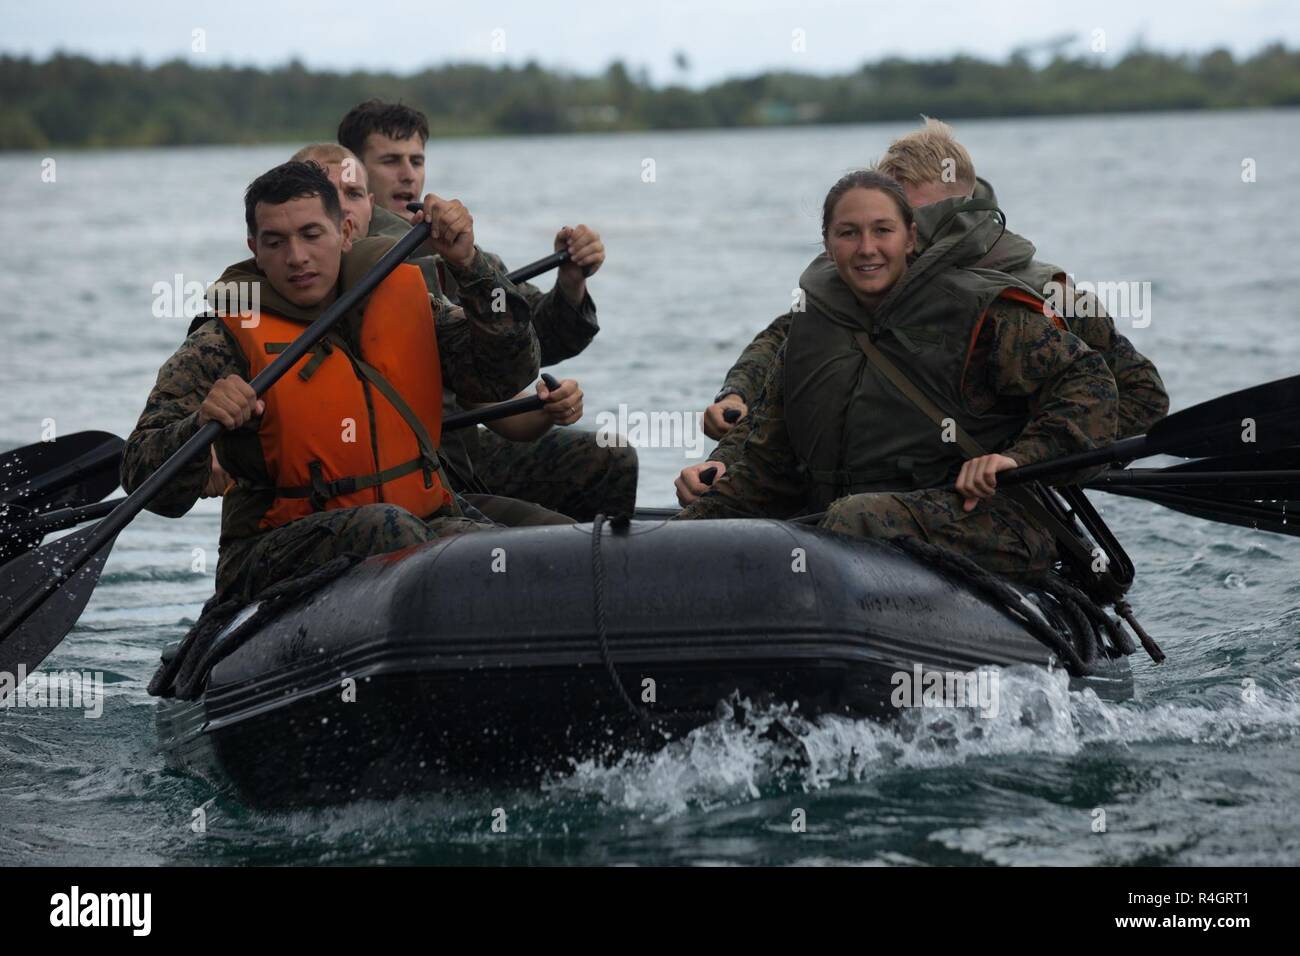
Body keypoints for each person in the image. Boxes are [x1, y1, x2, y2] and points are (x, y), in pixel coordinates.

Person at [677, 118, 1166, 505]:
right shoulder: (859, 292)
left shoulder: (1044, 297)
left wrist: (1021, 454)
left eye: (917, 222)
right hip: (862, 498)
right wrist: (734, 406)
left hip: (981, 501)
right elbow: (788, 351)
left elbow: (1139, 398)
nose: (896, 244)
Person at [123, 161, 544, 603]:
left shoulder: (406, 297)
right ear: (255, 249)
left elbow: (508, 372)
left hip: (418, 524)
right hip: (273, 547)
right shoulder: (221, 339)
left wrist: (469, 264)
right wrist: (198, 424)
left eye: (311, 234)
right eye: (275, 242)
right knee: (389, 527)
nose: (297, 257)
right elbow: (141, 473)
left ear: (344, 233)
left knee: (516, 554)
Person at [675, 170, 1118, 577]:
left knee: (854, 518)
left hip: (983, 518)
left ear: (910, 238)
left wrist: (1018, 459)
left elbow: (1090, 388)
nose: (867, 248)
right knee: (701, 528)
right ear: (828, 245)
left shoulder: (984, 313)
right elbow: (764, 466)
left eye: (882, 231)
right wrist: (689, 529)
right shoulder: (809, 334)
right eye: (848, 234)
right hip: (841, 525)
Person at [338, 99, 637, 521]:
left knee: (610, 457)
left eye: (416, 160)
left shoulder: (454, 252)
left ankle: (606, 575)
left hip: (467, 450)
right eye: (390, 160)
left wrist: (571, 283)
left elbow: (533, 341)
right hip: (392, 463)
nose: (408, 174)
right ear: (354, 172)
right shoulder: (326, 259)